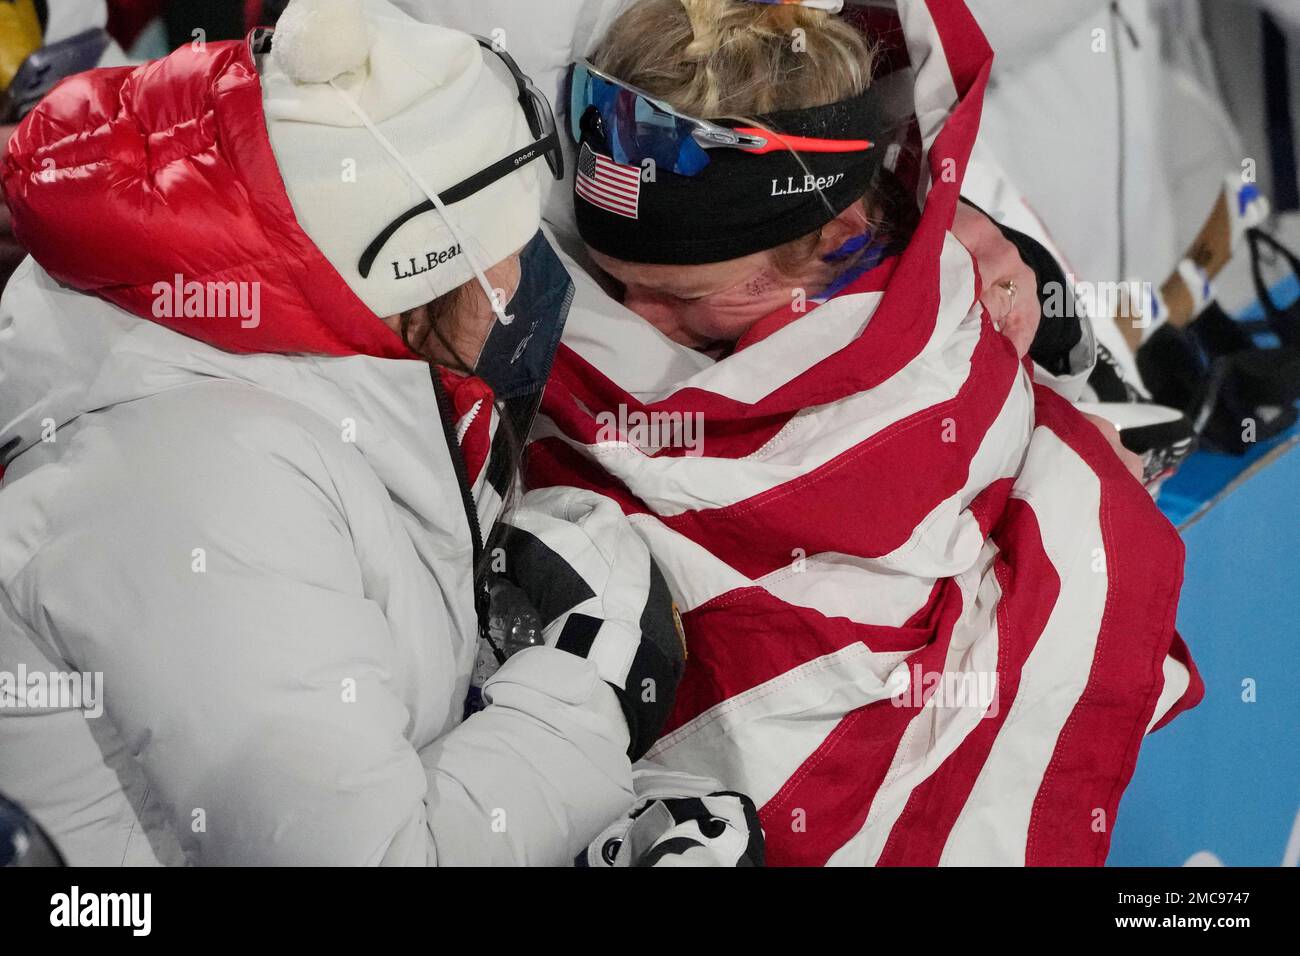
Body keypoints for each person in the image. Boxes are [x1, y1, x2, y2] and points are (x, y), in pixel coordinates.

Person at [0, 0, 728, 866]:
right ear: (410, 277)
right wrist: (585, 681)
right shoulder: (198, 485)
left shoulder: (297, 384)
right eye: (505, 244)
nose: (522, 274)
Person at [499, 0, 1202, 865]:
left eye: (682, 298)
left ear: (838, 237)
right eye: (619, 283)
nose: (638, 322)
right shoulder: (583, 285)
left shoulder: (943, 322)